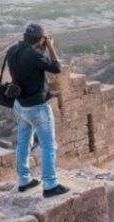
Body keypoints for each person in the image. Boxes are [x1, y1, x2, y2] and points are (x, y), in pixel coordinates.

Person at [7, 23, 69, 198]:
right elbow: (56, 68)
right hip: (37, 107)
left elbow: (31, 63)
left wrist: (41, 46)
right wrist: (50, 47)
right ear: (40, 39)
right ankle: (50, 185)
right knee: (49, 146)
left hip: (19, 105)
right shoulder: (34, 55)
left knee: (23, 143)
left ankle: (23, 181)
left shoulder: (13, 50)